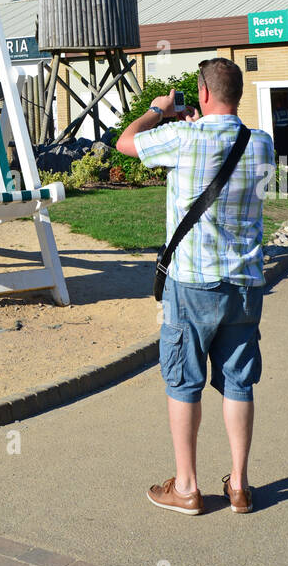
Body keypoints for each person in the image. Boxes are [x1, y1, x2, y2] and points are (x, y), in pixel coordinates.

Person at [116, 57, 274, 514]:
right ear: (238, 94)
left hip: (191, 283)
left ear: (202, 93)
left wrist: (159, 110)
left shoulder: (183, 137)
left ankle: (186, 487)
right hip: (245, 283)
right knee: (238, 382)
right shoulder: (261, 144)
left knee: (184, 381)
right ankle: (240, 484)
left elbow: (127, 142)